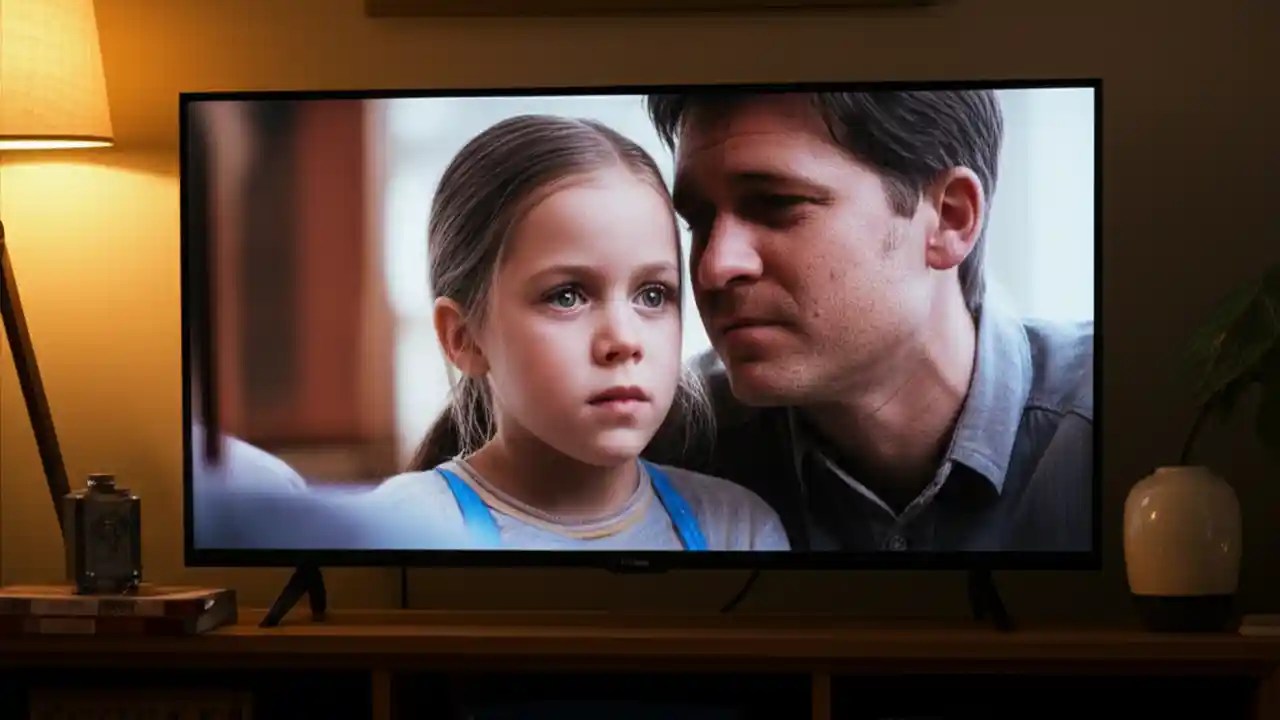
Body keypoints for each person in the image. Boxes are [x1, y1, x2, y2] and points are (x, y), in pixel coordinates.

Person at [641, 91, 1094, 553]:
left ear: (949, 218)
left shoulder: (1125, 430)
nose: (714, 266)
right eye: (698, 221)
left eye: (775, 204)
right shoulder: (657, 446)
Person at [372, 114, 789, 552]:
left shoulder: (738, 529)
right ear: (464, 338)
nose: (624, 341)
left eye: (652, 295)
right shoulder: (400, 527)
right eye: (567, 296)